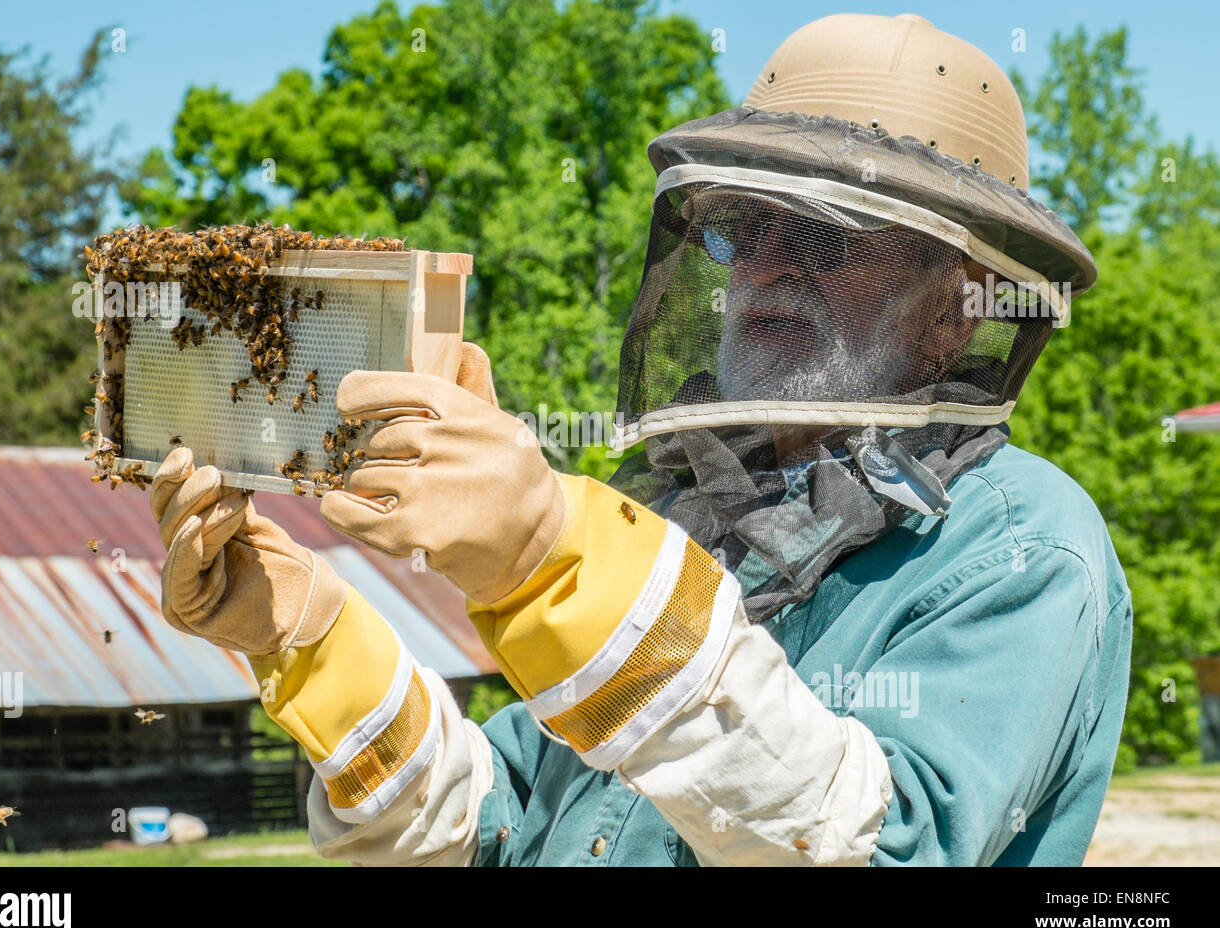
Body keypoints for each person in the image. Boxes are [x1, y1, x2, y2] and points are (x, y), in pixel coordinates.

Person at [150, 13, 1131, 865]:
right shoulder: (705, 515)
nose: (767, 265)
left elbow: (867, 843)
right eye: (743, 225)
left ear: (957, 306)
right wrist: (307, 636)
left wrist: (550, 559)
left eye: (824, 232)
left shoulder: (1021, 546)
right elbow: (491, 825)